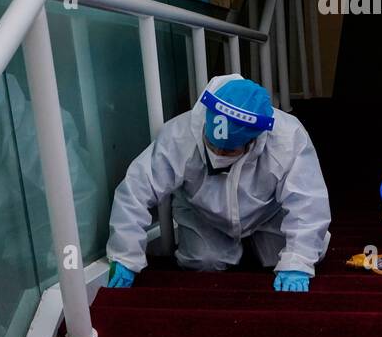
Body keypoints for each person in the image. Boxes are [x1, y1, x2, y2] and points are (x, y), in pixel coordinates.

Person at [105, 74, 331, 293]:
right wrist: (125, 254)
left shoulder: (287, 138)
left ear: (254, 140)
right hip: (203, 215)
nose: (218, 155)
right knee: (203, 263)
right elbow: (136, 189)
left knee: (308, 253)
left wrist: (298, 261)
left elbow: (307, 201)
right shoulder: (179, 135)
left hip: (268, 213)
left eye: (229, 151)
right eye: (212, 145)